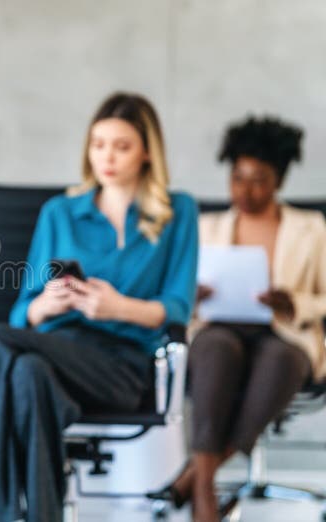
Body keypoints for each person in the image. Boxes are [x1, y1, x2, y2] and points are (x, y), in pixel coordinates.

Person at [0, 93, 198, 522]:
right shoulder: (60, 212)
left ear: (148, 152)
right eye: (98, 144)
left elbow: (178, 309)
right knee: (26, 374)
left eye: (122, 146)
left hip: (124, 366)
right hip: (52, 354)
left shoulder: (177, 212)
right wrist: (47, 305)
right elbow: (24, 314)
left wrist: (117, 307)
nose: (106, 156)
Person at [159, 116, 324, 521]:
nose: (245, 190)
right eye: (238, 178)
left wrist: (292, 302)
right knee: (215, 350)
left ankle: (199, 479)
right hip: (218, 326)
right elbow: (172, 290)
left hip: (282, 333)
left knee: (281, 361)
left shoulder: (312, 227)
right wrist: (193, 295)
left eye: (259, 180)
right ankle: (204, 489)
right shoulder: (205, 226)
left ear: (279, 182)